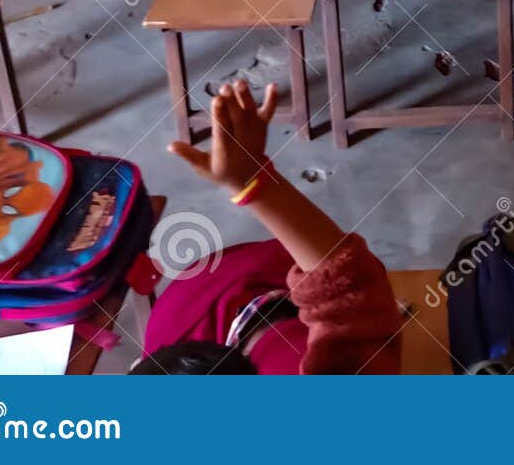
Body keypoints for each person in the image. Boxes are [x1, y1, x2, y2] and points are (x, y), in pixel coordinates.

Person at [133, 79, 401, 374]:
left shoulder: (175, 323)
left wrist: (253, 183)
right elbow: (347, 284)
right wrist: (251, 183)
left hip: (231, 284)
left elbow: (346, 285)